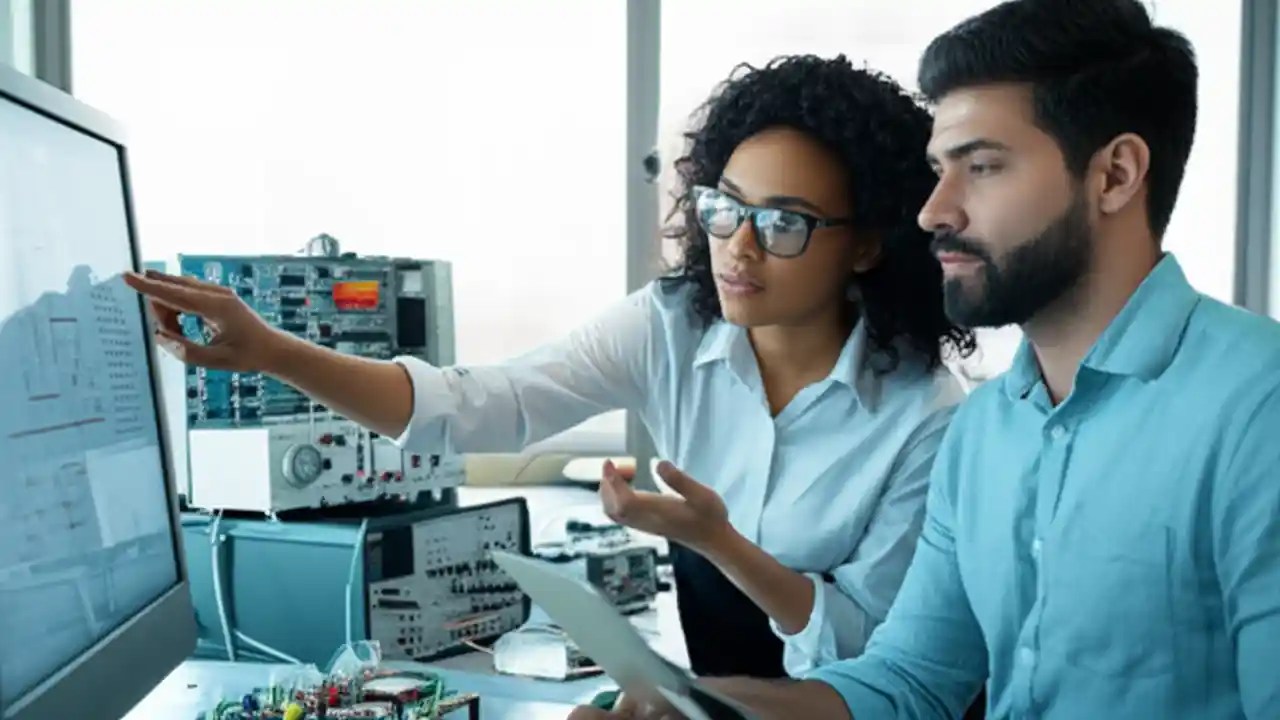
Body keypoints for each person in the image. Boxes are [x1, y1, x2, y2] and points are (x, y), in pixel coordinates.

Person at [124, 55, 973, 681]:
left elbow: (868, 649)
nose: (738, 248)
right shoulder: (672, 325)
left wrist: (715, 541)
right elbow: (478, 406)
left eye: (783, 223)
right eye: (725, 208)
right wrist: (270, 351)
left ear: (868, 243)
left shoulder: (927, 416)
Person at [565, 0, 1280, 718]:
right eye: (940, 170)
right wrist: (695, 706)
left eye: (982, 166)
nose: (933, 210)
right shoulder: (985, 430)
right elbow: (906, 684)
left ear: (1115, 176)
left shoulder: (1258, 407)